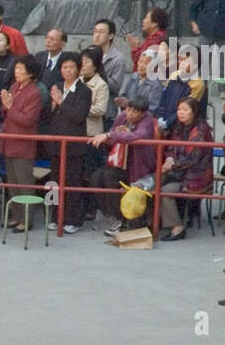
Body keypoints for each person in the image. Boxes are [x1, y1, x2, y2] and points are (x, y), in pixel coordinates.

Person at [89, 94, 156, 233]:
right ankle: (109, 213)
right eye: (129, 109)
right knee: (95, 178)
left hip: (137, 165)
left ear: (143, 113)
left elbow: (137, 136)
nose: (130, 114)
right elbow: (113, 130)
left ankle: (119, 218)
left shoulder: (147, 122)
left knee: (109, 177)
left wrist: (110, 135)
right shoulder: (124, 115)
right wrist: (113, 134)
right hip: (118, 160)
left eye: (134, 112)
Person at [45, 53, 92, 234]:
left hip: (73, 145)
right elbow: (48, 114)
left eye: (71, 67)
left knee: (73, 182)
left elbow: (78, 116)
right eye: (64, 67)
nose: (67, 70)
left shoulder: (84, 91)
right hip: (55, 143)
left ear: (78, 69)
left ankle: (73, 219)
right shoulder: (56, 86)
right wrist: (53, 104)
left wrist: (61, 102)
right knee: (53, 181)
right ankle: (54, 216)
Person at [157, 97, 214, 241]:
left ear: (194, 112)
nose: (181, 113)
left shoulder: (201, 129)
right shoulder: (179, 126)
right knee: (153, 181)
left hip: (195, 176)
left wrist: (173, 166)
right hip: (178, 171)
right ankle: (155, 223)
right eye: (179, 110)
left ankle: (177, 227)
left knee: (164, 192)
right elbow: (171, 147)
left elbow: (193, 157)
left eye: (185, 110)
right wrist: (169, 159)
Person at [0, 55, 43, 232]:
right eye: (16, 68)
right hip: (9, 139)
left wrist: (10, 107)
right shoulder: (15, 86)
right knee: (12, 182)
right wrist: (5, 105)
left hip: (23, 142)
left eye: (20, 69)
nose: (16, 72)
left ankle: (26, 219)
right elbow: (7, 112)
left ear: (30, 73)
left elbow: (28, 120)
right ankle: (16, 216)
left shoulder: (34, 93)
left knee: (24, 182)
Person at [92, 19, 128, 120]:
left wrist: (98, 73)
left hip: (107, 111)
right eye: (95, 31)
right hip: (88, 108)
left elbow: (115, 86)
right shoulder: (88, 54)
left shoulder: (118, 58)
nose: (97, 35)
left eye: (101, 32)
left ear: (111, 36)